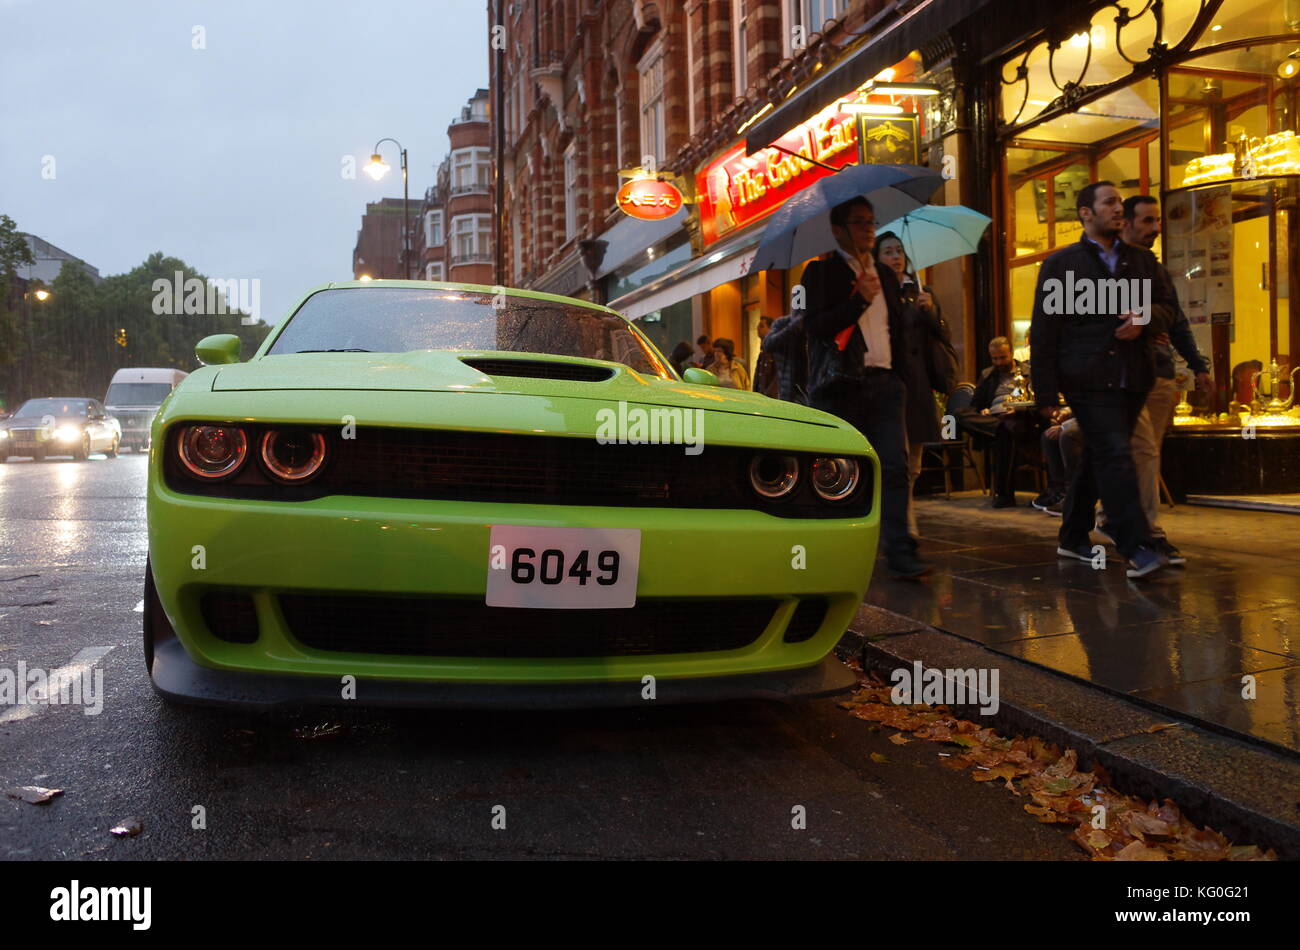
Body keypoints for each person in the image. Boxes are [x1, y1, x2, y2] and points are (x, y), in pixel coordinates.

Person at [1028, 180, 1177, 579]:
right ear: (1085, 213)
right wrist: (1045, 392)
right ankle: (1135, 544)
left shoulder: (1142, 262)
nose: (1118, 208)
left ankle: (1072, 534)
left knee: (1098, 458)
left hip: (1134, 378)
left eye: (1120, 202)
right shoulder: (1062, 265)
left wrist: (1143, 319)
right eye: (1109, 202)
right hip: (1087, 380)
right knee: (1115, 453)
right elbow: (1045, 331)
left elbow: (1168, 308)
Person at [799, 196, 930, 579]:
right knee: (838, 470)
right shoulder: (820, 274)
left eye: (871, 221)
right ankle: (835, 548)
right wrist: (859, 300)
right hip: (841, 386)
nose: (868, 229)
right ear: (839, 229)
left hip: (885, 384)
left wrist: (902, 377)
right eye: (859, 222)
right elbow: (815, 327)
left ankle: (900, 551)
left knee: (894, 467)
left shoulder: (887, 276)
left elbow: (897, 331)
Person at [1097, 195, 1212, 566]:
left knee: (1143, 455)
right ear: (1124, 223)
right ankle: (1147, 533)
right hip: (1121, 376)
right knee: (1142, 452)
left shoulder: (1154, 268)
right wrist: (1145, 326)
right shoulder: (1106, 266)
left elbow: (1174, 318)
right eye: (1146, 221)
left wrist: (1198, 365)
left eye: (1157, 221)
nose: (1156, 228)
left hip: (1159, 375)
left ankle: (1108, 518)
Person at [874, 231, 955, 534]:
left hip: (916, 383)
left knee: (914, 463)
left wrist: (930, 311)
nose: (895, 257)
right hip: (884, 382)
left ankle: (903, 516)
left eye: (898, 251)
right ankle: (897, 519)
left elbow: (943, 337)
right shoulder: (874, 291)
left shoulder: (920, 290)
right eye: (887, 252)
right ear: (877, 258)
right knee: (893, 457)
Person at [959, 337, 1038, 508]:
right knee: (959, 415)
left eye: (1002, 357)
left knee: (1005, 432)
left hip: (1018, 416)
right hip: (993, 418)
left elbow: (1036, 399)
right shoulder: (988, 374)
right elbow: (976, 404)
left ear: (1011, 353)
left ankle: (1004, 495)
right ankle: (997, 427)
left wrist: (1019, 409)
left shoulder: (1027, 372)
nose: (999, 362)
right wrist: (982, 411)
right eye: (994, 358)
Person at [760, 312, 808, 403]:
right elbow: (768, 344)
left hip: (811, 387)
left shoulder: (816, 321)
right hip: (791, 391)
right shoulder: (784, 323)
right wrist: (793, 327)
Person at [752, 317, 779, 397]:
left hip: (772, 398)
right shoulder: (763, 352)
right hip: (761, 396)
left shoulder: (776, 350)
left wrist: (769, 394)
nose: (758, 328)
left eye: (761, 326)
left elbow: (777, 377)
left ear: (771, 329)